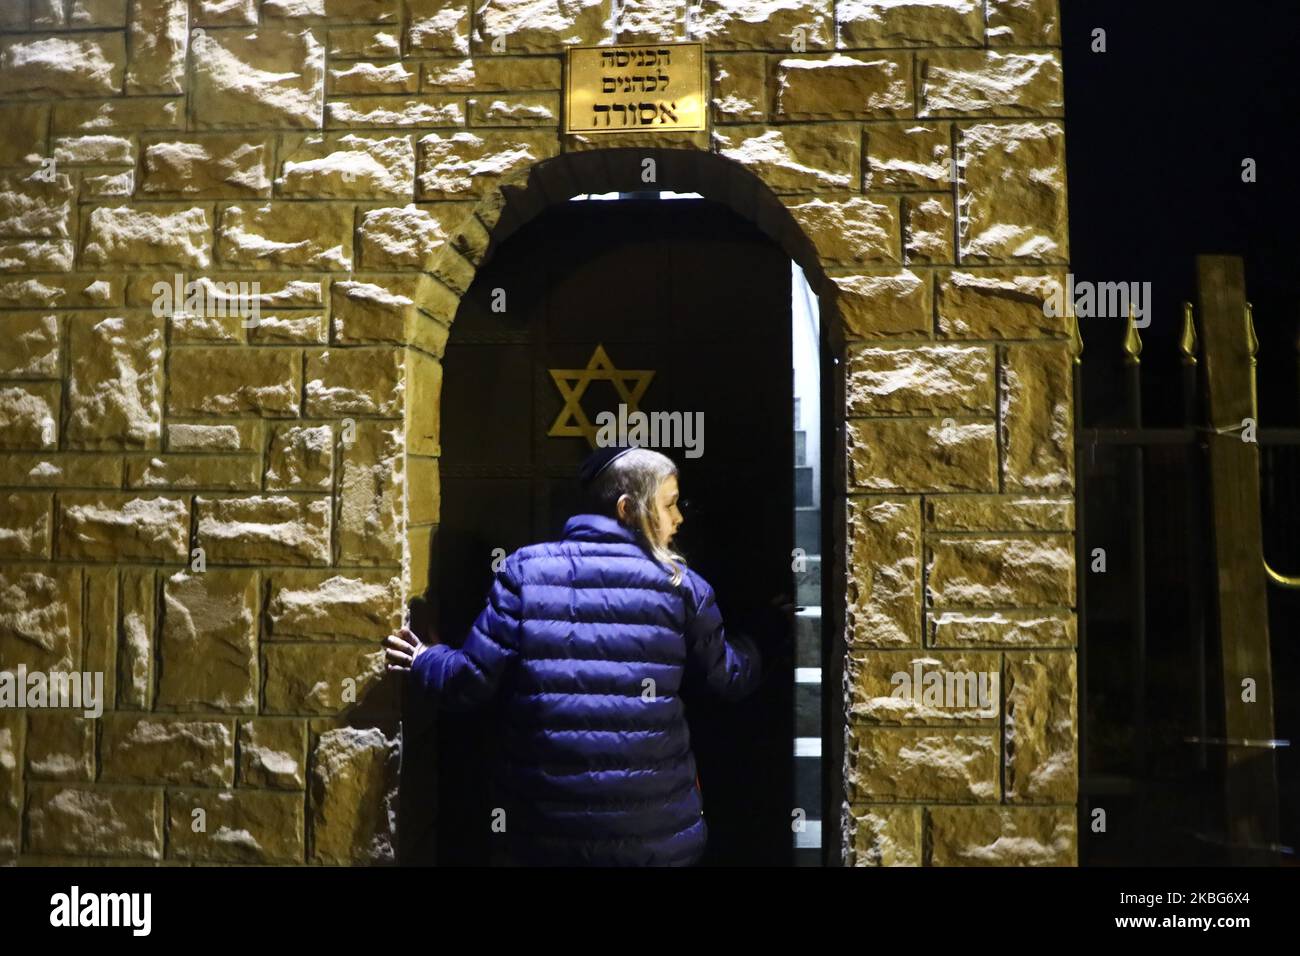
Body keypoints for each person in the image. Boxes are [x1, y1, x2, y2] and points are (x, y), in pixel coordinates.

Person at [383, 445, 769, 866]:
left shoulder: (524, 573)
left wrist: (423, 657)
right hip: (655, 838)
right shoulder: (683, 586)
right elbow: (727, 677)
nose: (679, 519)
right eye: (670, 504)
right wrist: (765, 638)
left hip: (542, 834)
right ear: (628, 508)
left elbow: (468, 681)